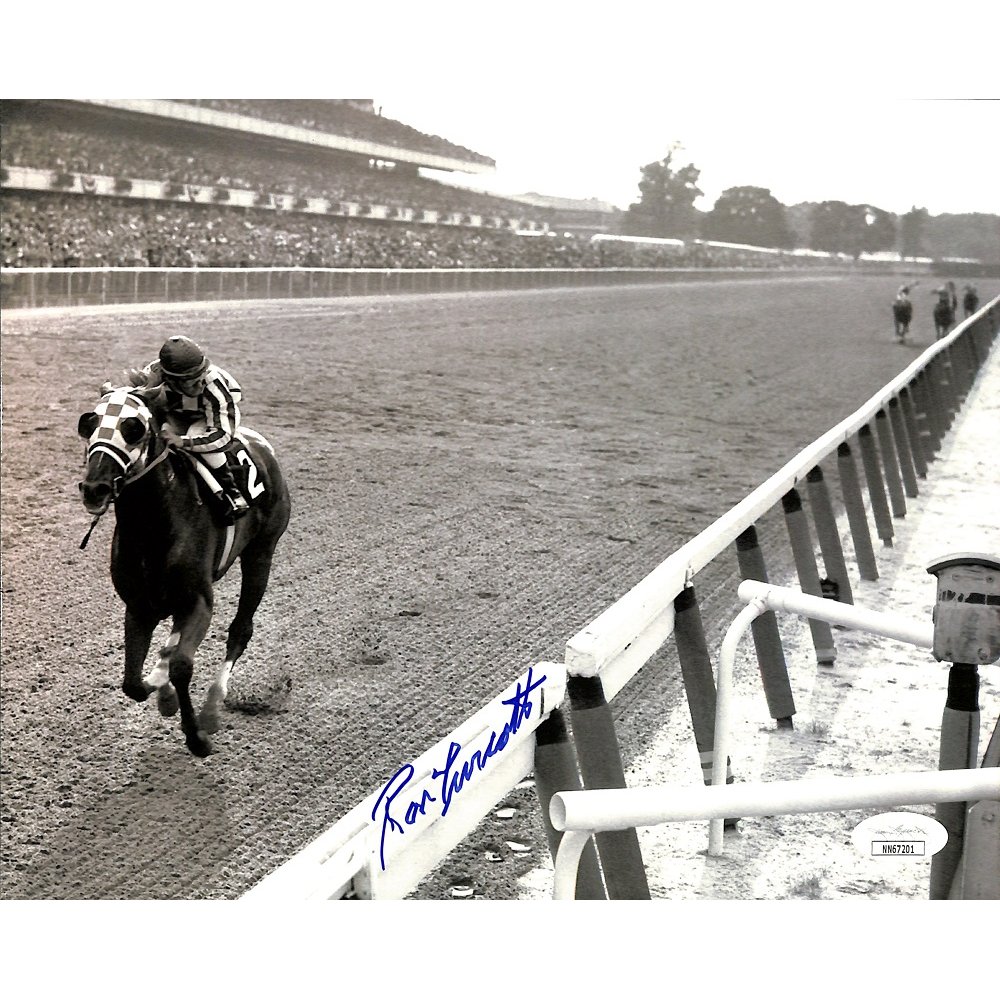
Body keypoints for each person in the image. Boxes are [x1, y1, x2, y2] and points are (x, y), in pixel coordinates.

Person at [127, 336, 251, 519]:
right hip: (176, 410)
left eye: (200, 373)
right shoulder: (153, 376)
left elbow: (222, 436)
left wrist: (184, 441)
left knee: (194, 434)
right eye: (189, 379)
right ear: (171, 378)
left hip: (209, 413)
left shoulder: (213, 385)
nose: (199, 382)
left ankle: (232, 492)